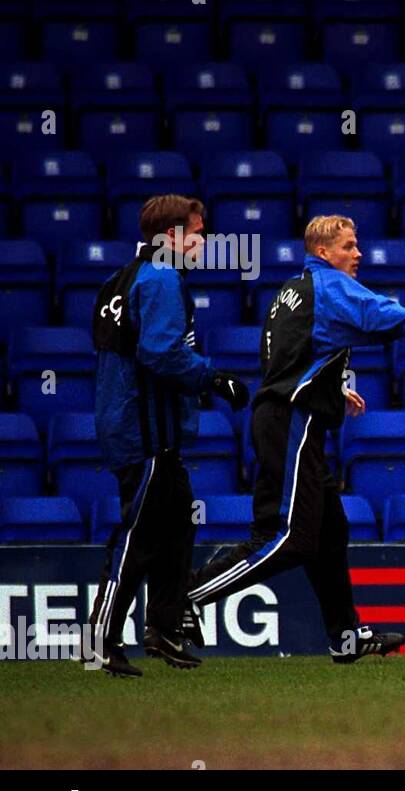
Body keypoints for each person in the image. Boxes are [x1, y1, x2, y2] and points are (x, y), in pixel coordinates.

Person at [186, 215, 405, 663]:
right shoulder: (329, 287)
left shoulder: (292, 291)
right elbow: (378, 315)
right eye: (349, 246)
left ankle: (346, 638)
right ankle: (185, 597)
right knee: (287, 538)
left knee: (329, 531)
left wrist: (332, 387)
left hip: (286, 417)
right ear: (323, 252)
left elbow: (290, 356)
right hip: (292, 423)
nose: (358, 253)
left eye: (357, 245)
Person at [89, 194, 250, 677]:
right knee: (139, 538)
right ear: (173, 236)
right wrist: (213, 378)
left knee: (177, 528)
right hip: (146, 434)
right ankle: (100, 640)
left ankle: (163, 630)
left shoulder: (123, 277)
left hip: (138, 428)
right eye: (198, 232)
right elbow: (160, 353)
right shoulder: (160, 278)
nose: (204, 241)